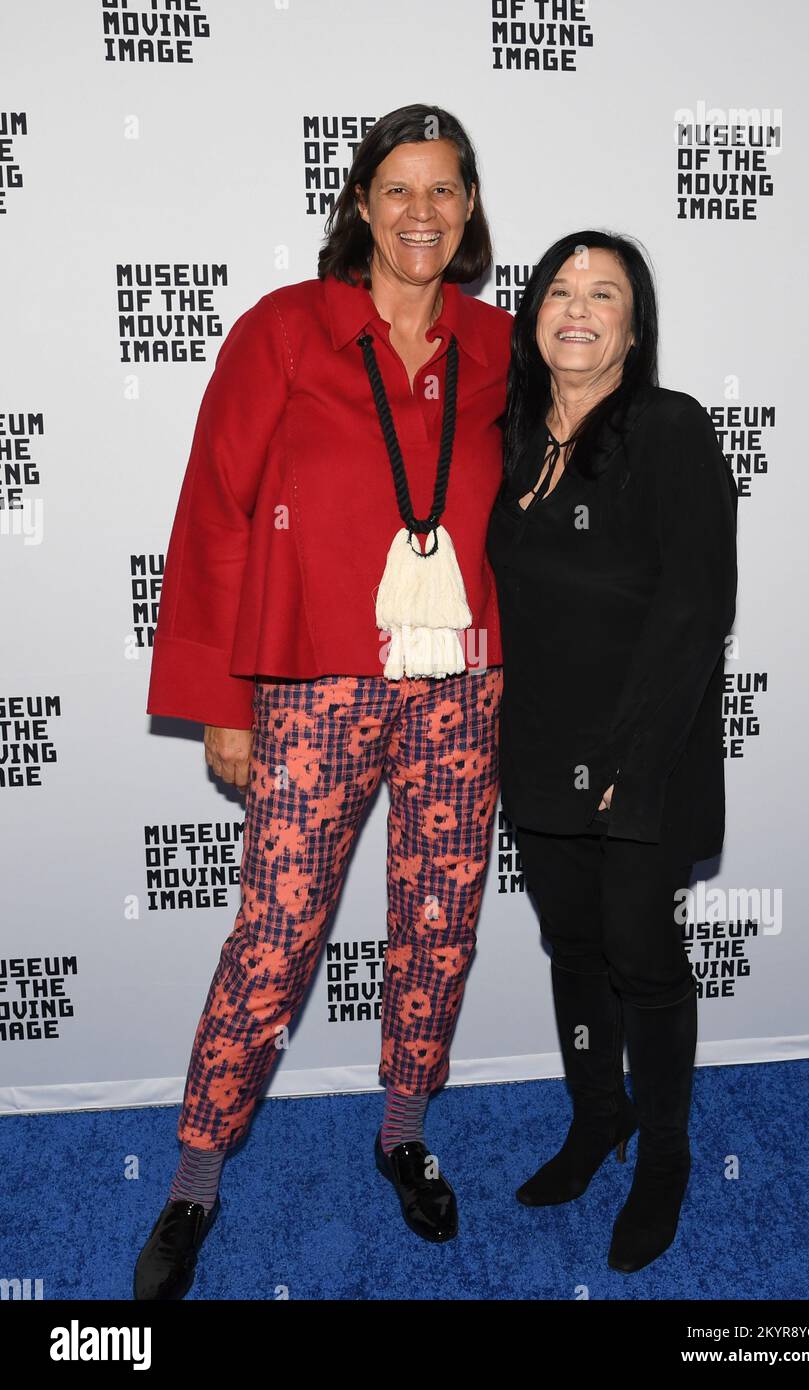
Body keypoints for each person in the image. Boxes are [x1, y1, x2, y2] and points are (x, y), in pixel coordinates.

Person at [135, 104, 512, 1299]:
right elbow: (214, 517)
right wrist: (221, 701)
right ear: (359, 203)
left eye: (442, 190)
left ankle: (402, 1128)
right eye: (397, 189)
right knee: (278, 930)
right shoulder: (285, 330)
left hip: (462, 679)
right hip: (310, 682)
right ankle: (195, 1174)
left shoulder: (502, 342)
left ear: (467, 209)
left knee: (439, 917)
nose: (419, 213)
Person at [486, 230, 738, 1273]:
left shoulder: (668, 429)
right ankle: (599, 1115)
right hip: (538, 751)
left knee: (641, 957)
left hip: (645, 756)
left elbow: (695, 608)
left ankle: (665, 1153)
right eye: (559, 289)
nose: (577, 308)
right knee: (574, 951)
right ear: (533, 313)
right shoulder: (506, 439)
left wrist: (628, 766)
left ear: (633, 329)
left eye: (604, 294)